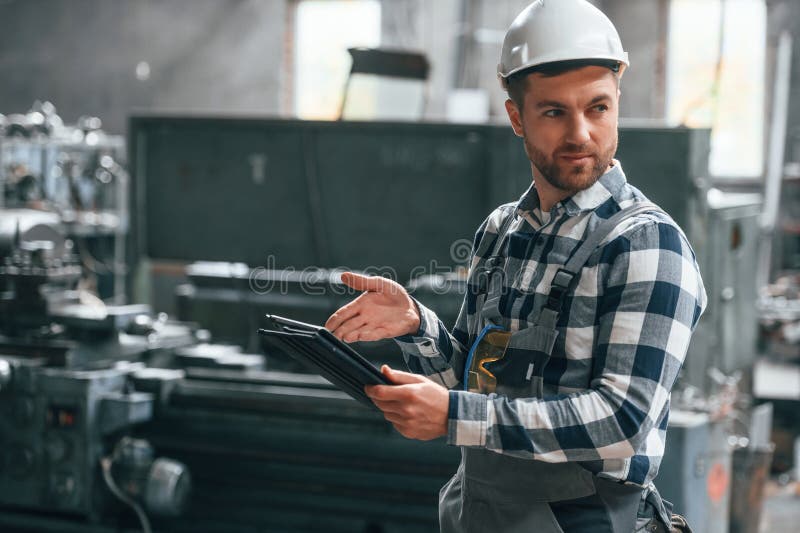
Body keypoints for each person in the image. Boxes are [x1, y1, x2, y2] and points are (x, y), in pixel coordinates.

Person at [325, 1, 706, 531]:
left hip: (584, 520)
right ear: (516, 117)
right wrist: (416, 324)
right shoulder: (503, 231)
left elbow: (622, 421)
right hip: (481, 510)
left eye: (597, 108)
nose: (580, 133)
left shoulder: (645, 244)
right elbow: (474, 379)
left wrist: (453, 415)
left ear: (616, 101)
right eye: (554, 112)